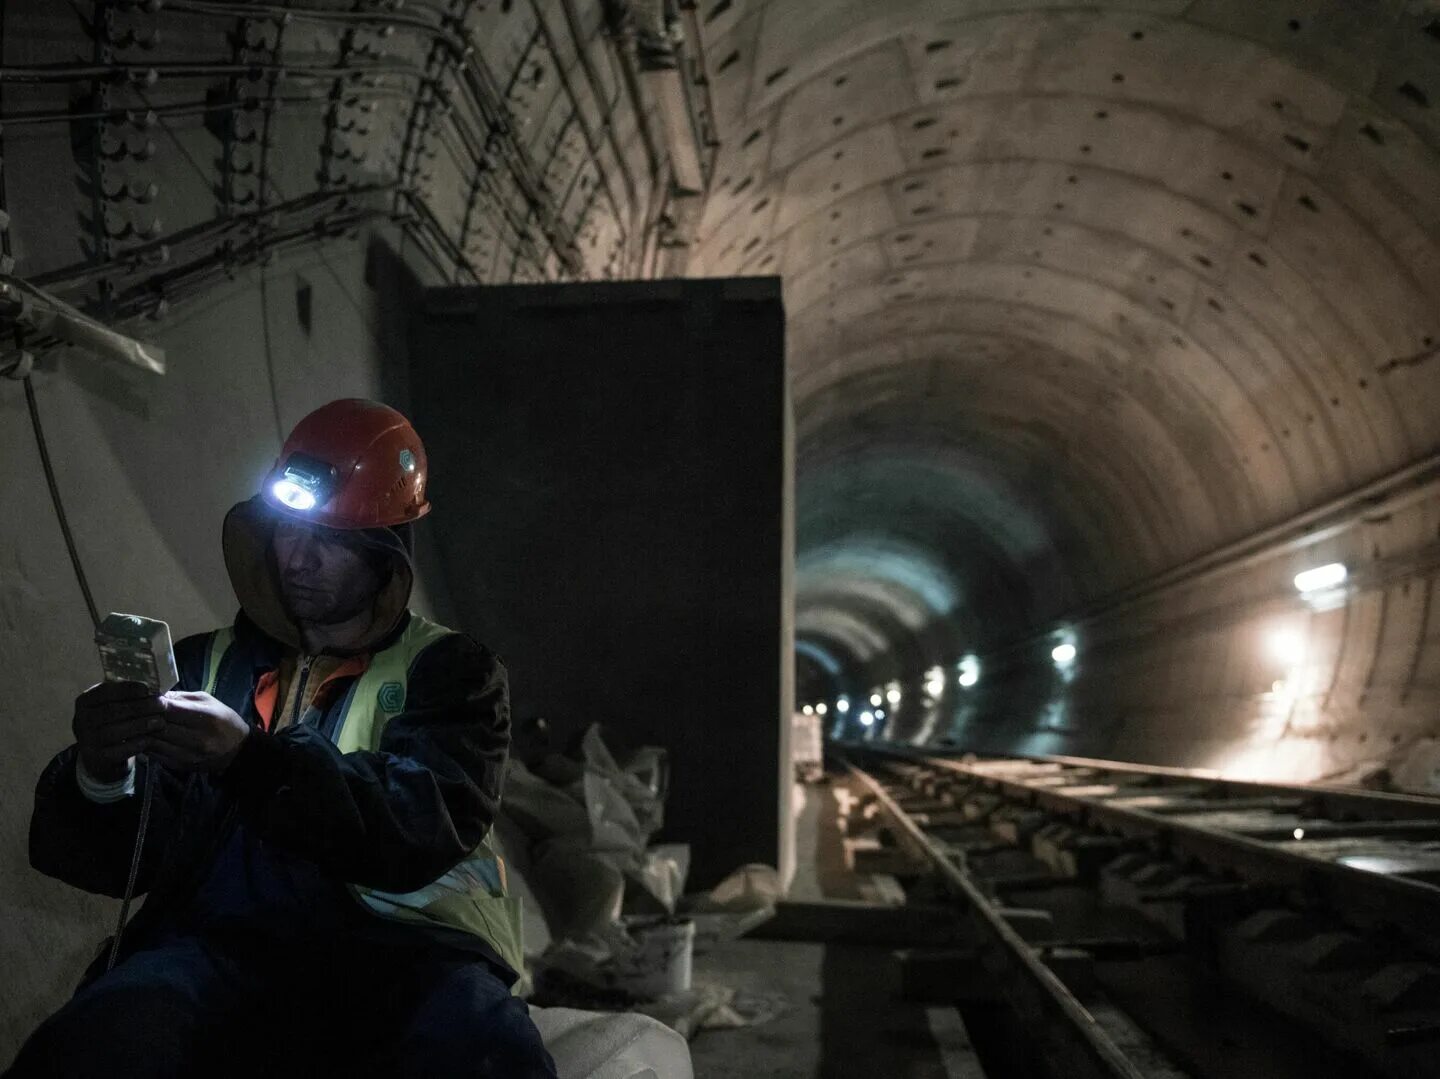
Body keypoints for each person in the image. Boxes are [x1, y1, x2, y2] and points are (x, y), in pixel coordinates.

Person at [9, 399, 557, 1078]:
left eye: (328, 540)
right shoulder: (206, 664)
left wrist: (248, 758)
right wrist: (101, 769)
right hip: (221, 948)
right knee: (97, 1040)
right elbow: (118, 858)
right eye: (287, 532)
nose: (298, 557)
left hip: (406, 956)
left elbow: (418, 822)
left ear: (385, 553)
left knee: (483, 1051)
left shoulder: (452, 673)